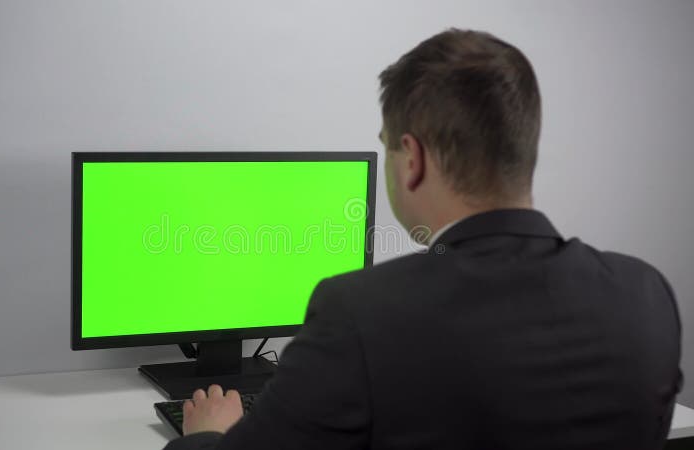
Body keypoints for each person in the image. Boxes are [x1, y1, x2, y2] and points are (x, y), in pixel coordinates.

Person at [165, 28, 682, 450]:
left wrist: (208, 433)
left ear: (411, 159)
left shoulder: (360, 312)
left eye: (386, 148)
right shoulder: (645, 295)